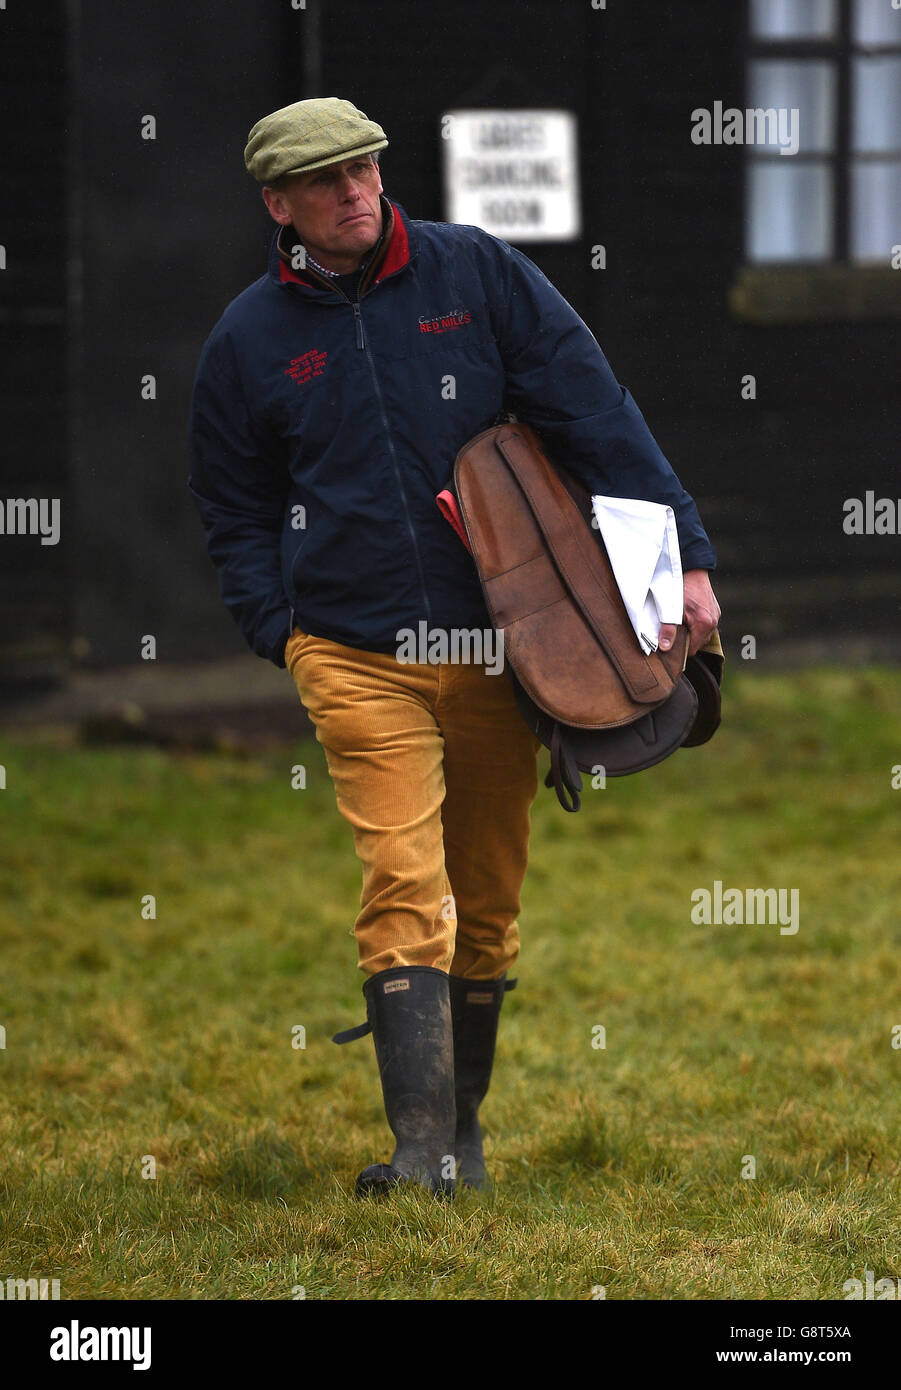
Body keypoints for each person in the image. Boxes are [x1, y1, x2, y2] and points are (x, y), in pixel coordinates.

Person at [188, 97, 721, 1198]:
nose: (353, 190)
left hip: (499, 649)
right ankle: (418, 1149)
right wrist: (278, 631)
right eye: (325, 179)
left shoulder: (472, 274)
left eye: (366, 168)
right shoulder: (245, 340)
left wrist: (690, 558)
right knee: (402, 880)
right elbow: (233, 508)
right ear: (276, 203)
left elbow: (595, 414)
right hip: (351, 650)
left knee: (485, 896)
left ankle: (461, 1136)